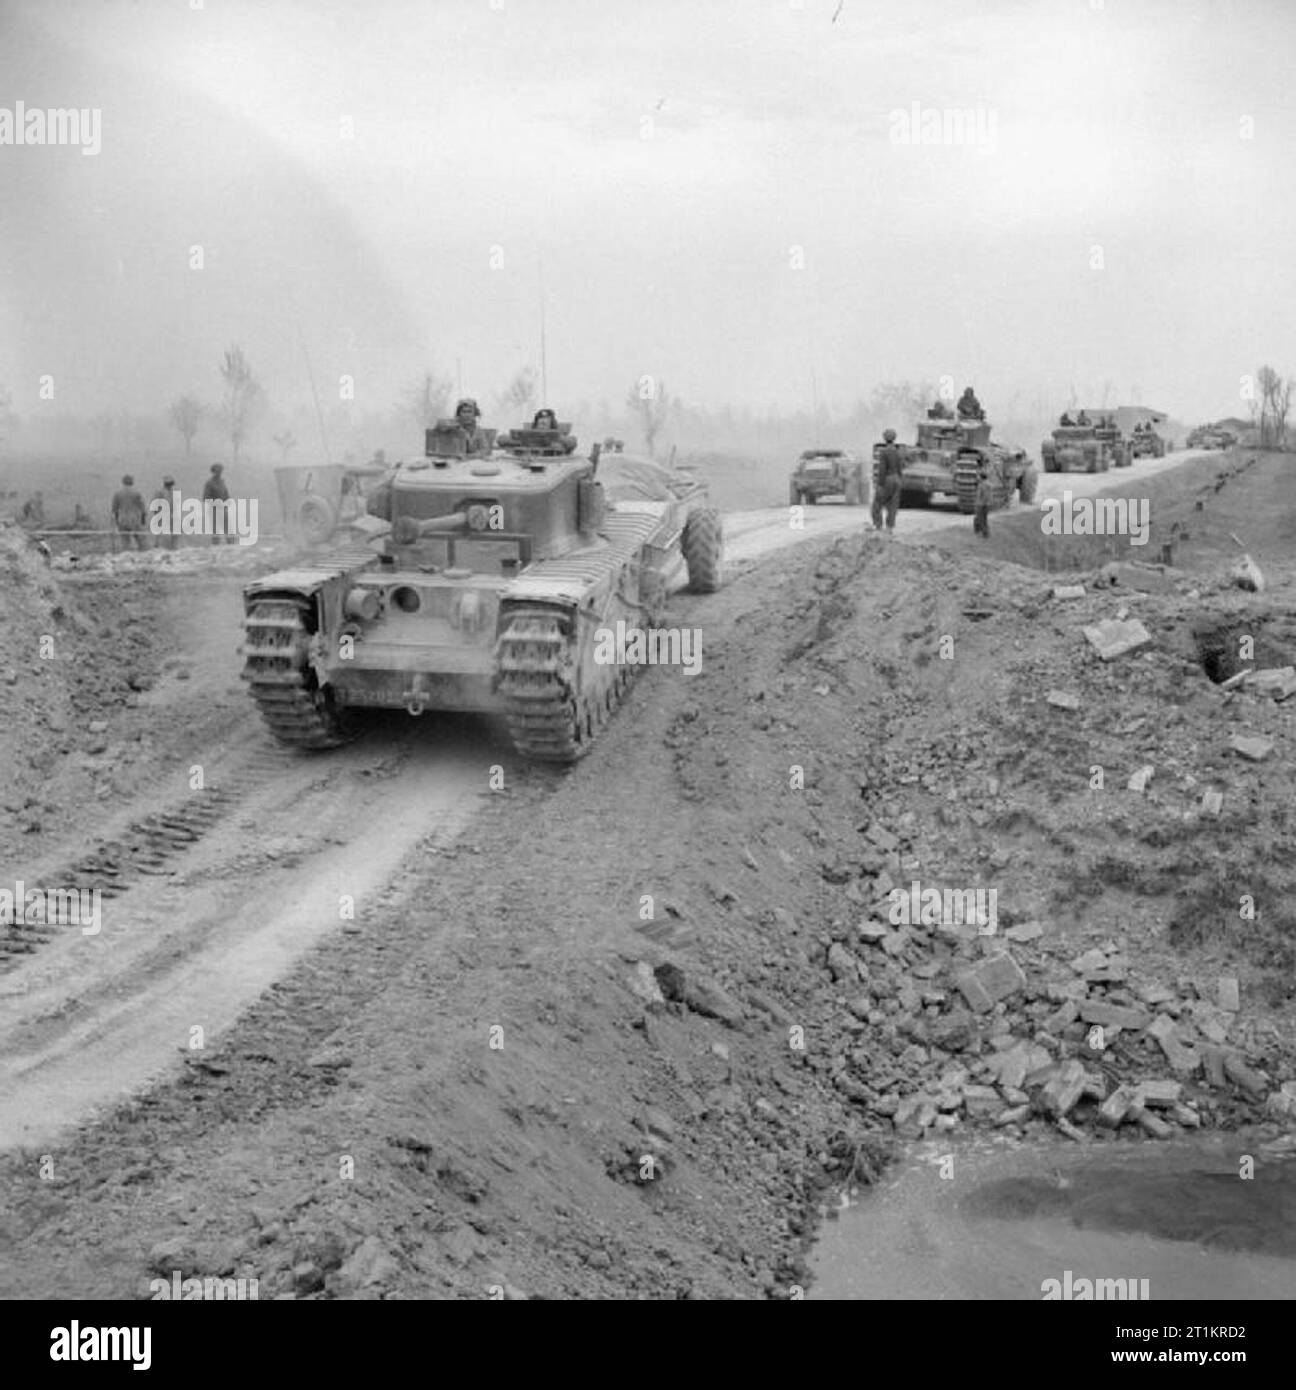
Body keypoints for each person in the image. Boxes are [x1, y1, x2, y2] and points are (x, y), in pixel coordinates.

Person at [872, 428, 904, 534]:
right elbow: (900, 469)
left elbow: (882, 469)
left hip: (888, 478)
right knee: (893, 505)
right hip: (897, 479)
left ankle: (878, 526)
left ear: (885, 438)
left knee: (877, 503)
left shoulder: (884, 452)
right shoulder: (898, 452)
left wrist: (879, 484)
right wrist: (899, 481)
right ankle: (890, 528)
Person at [111, 474, 149, 552]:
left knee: (125, 541)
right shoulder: (136, 493)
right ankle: (142, 555)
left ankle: (126, 555)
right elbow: (142, 508)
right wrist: (143, 520)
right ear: (132, 482)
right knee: (141, 540)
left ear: (123, 482)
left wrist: (117, 521)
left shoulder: (117, 494)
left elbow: (115, 510)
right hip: (135, 519)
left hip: (123, 519)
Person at [202, 463, 236, 545]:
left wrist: (228, 502)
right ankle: (215, 549)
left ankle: (231, 548)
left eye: (220, 471)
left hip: (223, 510)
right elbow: (206, 498)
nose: (219, 473)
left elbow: (226, 495)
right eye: (217, 471)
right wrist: (216, 504)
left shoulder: (222, 482)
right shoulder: (209, 483)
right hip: (214, 511)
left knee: (229, 531)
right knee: (216, 532)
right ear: (213, 472)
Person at [152, 475, 178, 550]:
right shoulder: (160, 492)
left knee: (174, 534)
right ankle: (158, 547)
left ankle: (172, 548)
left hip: (171, 516)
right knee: (161, 535)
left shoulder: (172, 492)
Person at [973, 464, 993, 538]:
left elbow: (981, 495)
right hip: (986, 504)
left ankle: (984, 533)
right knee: (984, 519)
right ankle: (983, 532)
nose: (977, 477)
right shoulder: (989, 484)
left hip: (981, 504)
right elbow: (989, 496)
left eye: (979, 476)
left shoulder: (982, 485)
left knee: (980, 519)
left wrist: (979, 504)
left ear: (981, 477)